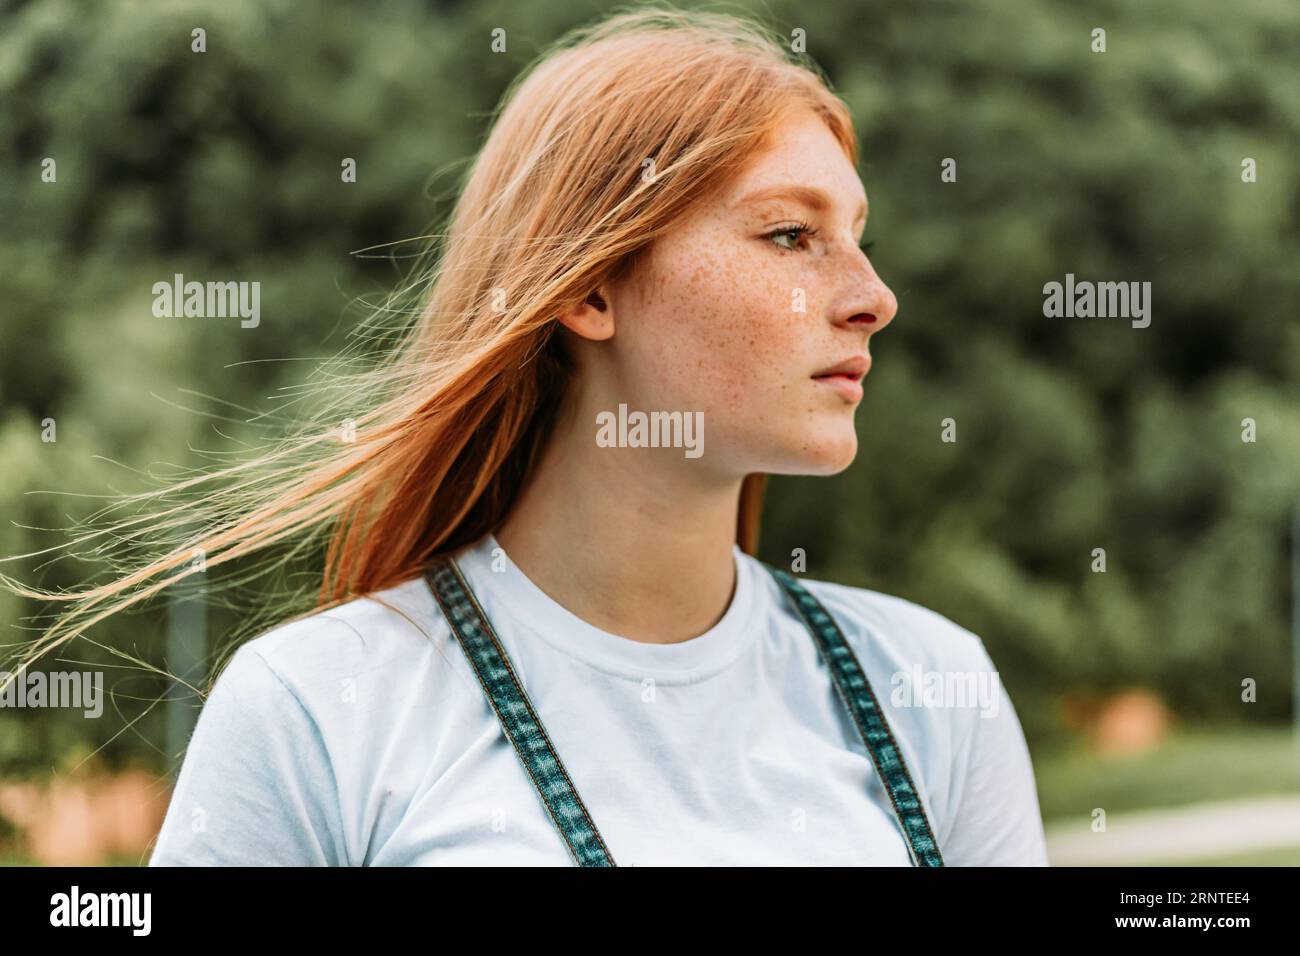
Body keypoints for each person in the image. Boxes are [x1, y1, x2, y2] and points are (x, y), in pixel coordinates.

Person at [41, 7, 1052, 866]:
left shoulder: (926, 685)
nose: (872, 296)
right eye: (790, 234)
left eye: (858, 237)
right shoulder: (316, 705)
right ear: (587, 285)